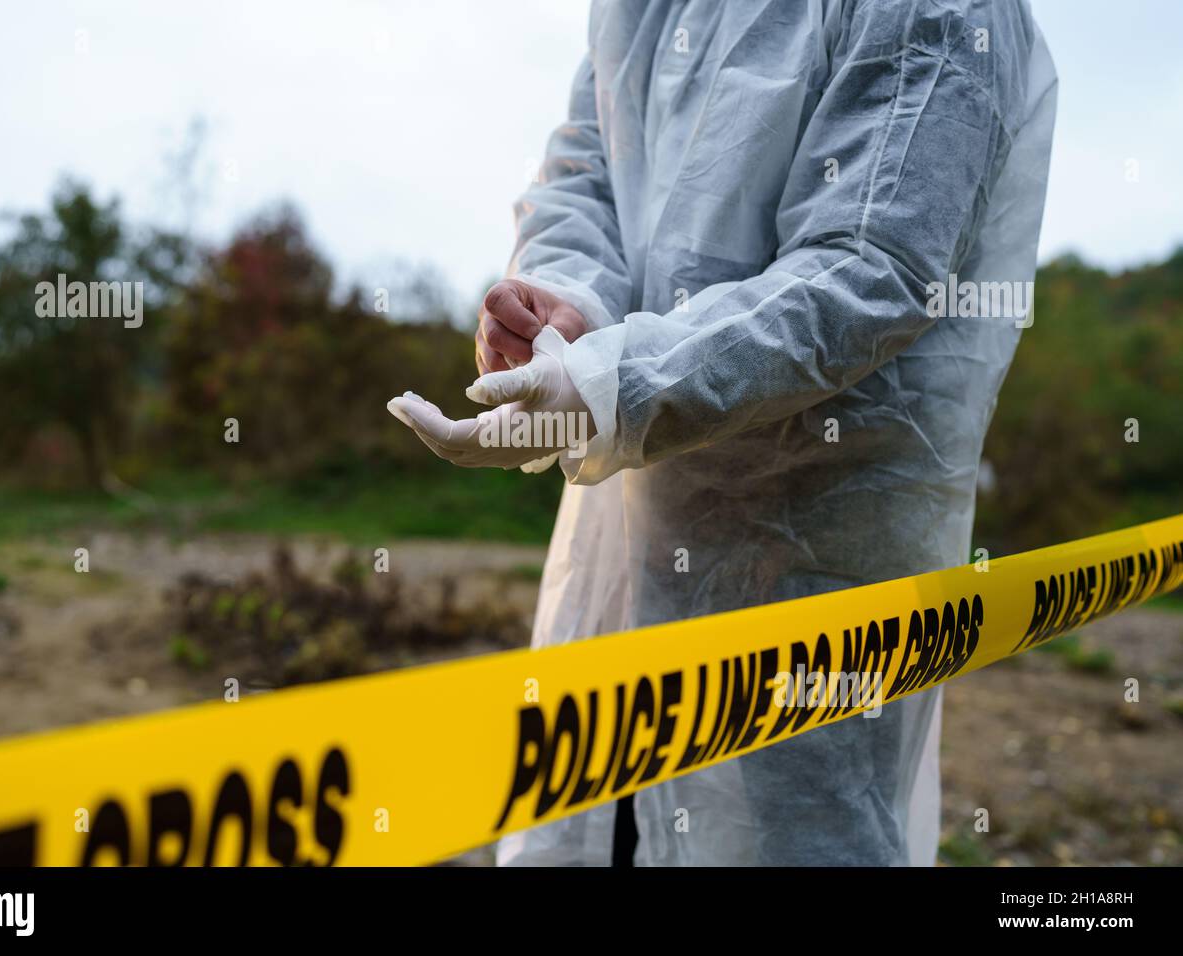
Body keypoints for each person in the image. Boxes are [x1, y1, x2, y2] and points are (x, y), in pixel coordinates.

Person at [388, 0, 1057, 866]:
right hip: (622, 545)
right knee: (594, 829)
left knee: (785, 836)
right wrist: (564, 304)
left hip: (811, 561)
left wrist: (612, 384)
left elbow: (869, 266)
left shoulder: (945, 11)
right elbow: (586, 172)